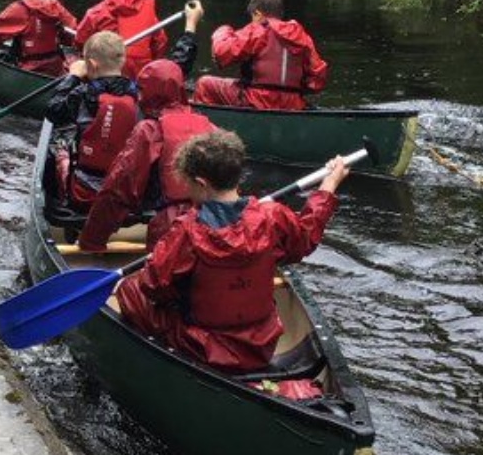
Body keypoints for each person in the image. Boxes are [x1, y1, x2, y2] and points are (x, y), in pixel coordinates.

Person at [114, 130, 350, 372]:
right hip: (261, 344)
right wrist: (328, 185)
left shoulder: (186, 230)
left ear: (202, 183)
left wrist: (163, 267)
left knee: (129, 290)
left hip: (201, 345)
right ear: (237, 177)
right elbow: (306, 238)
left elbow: (152, 287)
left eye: (189, 184)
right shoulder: (274, 216)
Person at [76, 0, 212, 252]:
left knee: (136, 292)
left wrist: (91, 242)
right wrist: (191, 26)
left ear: (145, 94)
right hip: (213, 226)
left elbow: (118, 191)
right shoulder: (211, 127)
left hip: (169, 228)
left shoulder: (149, 131)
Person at [44, 31, 139, 210]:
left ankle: (55, 206)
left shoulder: (83, 94)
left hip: (83, 194)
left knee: (56, 149)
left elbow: (53, 110)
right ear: (123, 61)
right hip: (121, 192)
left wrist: (72, 77)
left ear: (91, 65)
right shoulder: (138, 97)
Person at [193, 0, 328, 111]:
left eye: (252, 17)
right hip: (293, 104)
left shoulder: (258, 30)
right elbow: (318, 79)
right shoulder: (302, 36)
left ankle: (204, 130)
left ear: (257, 14)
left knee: (204, 83)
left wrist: (223, 31)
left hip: (257, 100)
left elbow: (221, 53)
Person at [73, 0, 168, 79]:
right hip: (141, 72)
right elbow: (161, 42)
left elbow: (80, 40)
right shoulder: (150, 14)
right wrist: (152, 64)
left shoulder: (96, 12)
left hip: (108, 71)